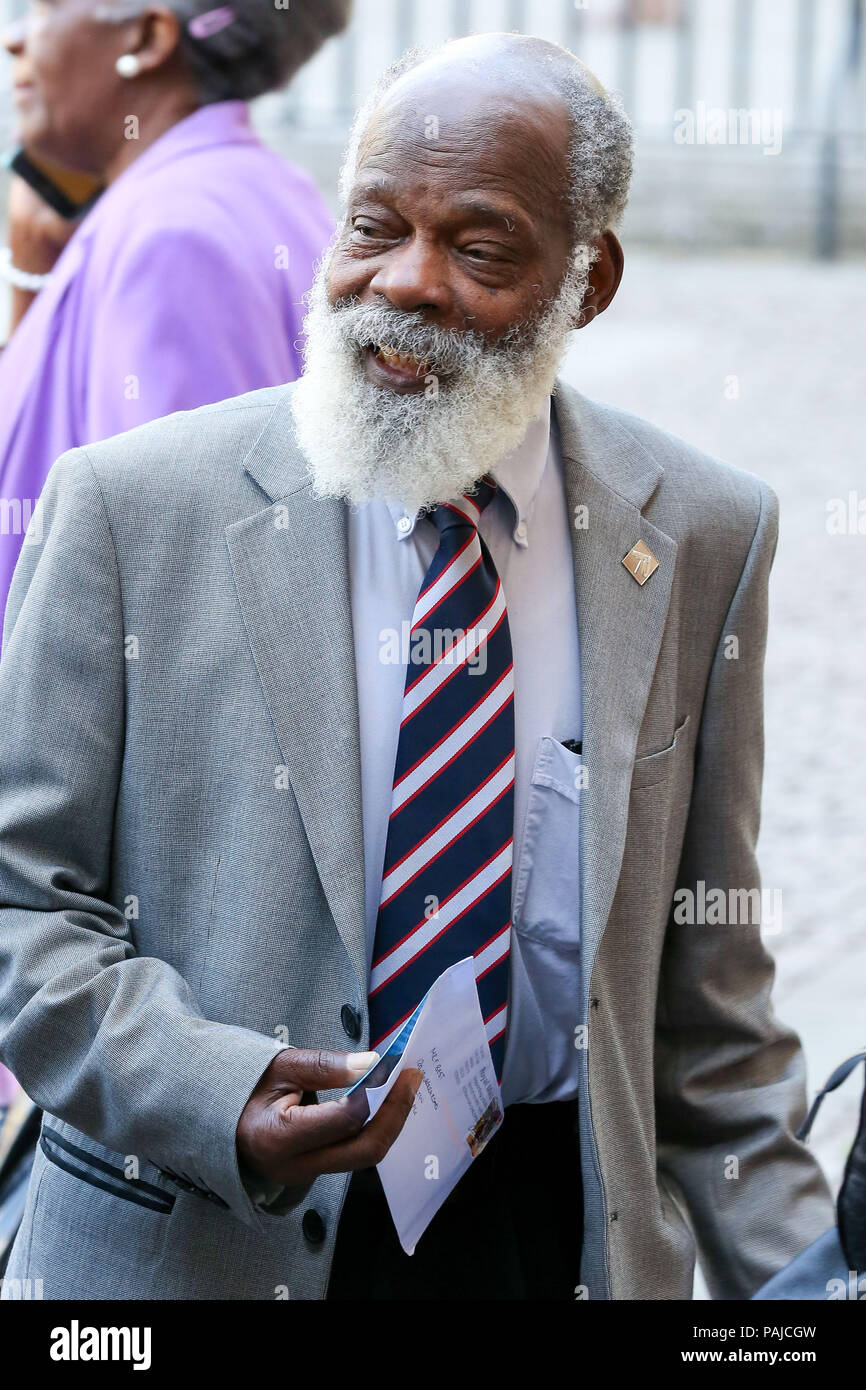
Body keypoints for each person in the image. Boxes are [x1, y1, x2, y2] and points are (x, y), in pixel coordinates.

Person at [0, 33, 835, 1301]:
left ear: (587, 282)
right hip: (203, 1244)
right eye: (372, 226)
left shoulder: (704, 534)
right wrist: (214, 1094)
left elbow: (707, 1011)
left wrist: (806, 1292)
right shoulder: (132, 509)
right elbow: (20, 903)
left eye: (479, 247)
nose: (405, 284)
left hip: (542, 1242)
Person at [0, 0, 351, 631]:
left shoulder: (170, 240)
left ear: (148, 36)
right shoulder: (257, 186)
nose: (14, 41)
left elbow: (176, 595)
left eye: (44, 8)